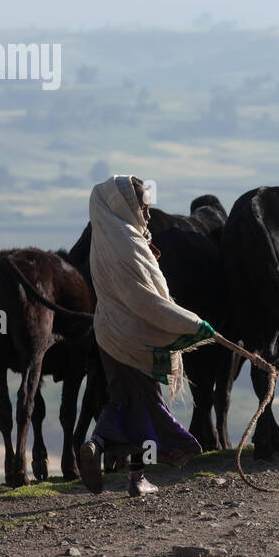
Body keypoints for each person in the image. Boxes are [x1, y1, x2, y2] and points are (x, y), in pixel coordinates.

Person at [78, 175, 211, 496]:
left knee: (123, 400)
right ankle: (137, 476)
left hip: (109, 334)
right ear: (126, 206)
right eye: (144, 208)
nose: (149, 216)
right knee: (146, 405)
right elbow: (146, 301)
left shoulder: (107, 233)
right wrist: (196, 325)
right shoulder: (128, 243)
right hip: (134, 338)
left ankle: (97, 446)